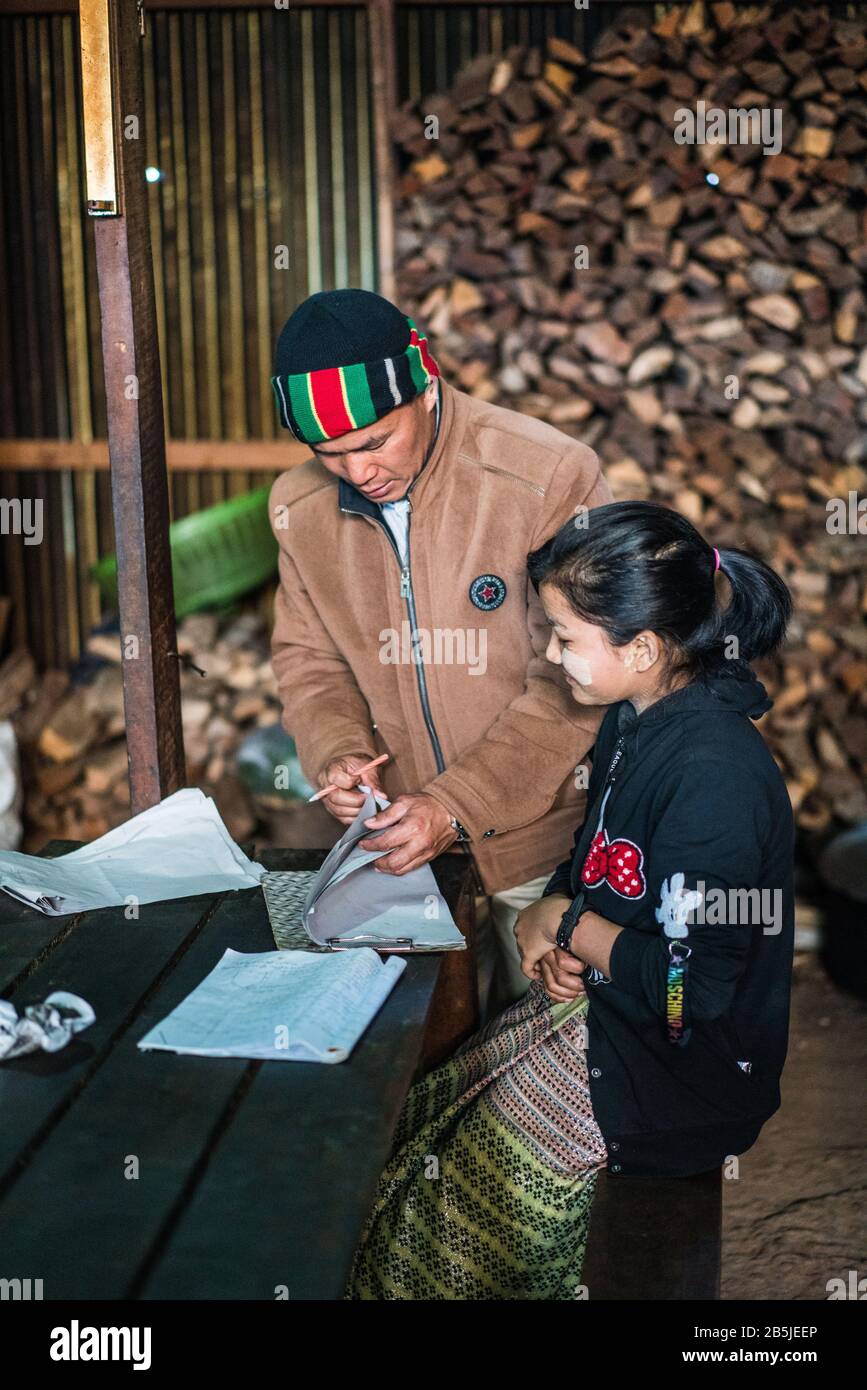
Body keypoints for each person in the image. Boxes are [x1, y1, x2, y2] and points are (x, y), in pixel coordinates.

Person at [345, 500, 795, 1299]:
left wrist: (573, 926)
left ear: (646, 646)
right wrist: (554, 922)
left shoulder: (715, 777)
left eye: (565, 638)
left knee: (438, 1206)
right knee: (424, 1117)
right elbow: (596, 850)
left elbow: (695, 985)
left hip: (678, 1077)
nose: (551, 658)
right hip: (615, 1019)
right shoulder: (634, 718)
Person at [267, 288, 613, 1018]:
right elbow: (310, 659)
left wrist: (456, 805)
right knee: (424, 1058)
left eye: (372, 441)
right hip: (401, 856)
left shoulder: (544, 475)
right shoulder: (298, 508)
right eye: (329, 454)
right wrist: (335, 751)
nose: (357, 472)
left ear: (422, 386)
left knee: (554, 1071)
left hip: (547, 845)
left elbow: (574, 677)